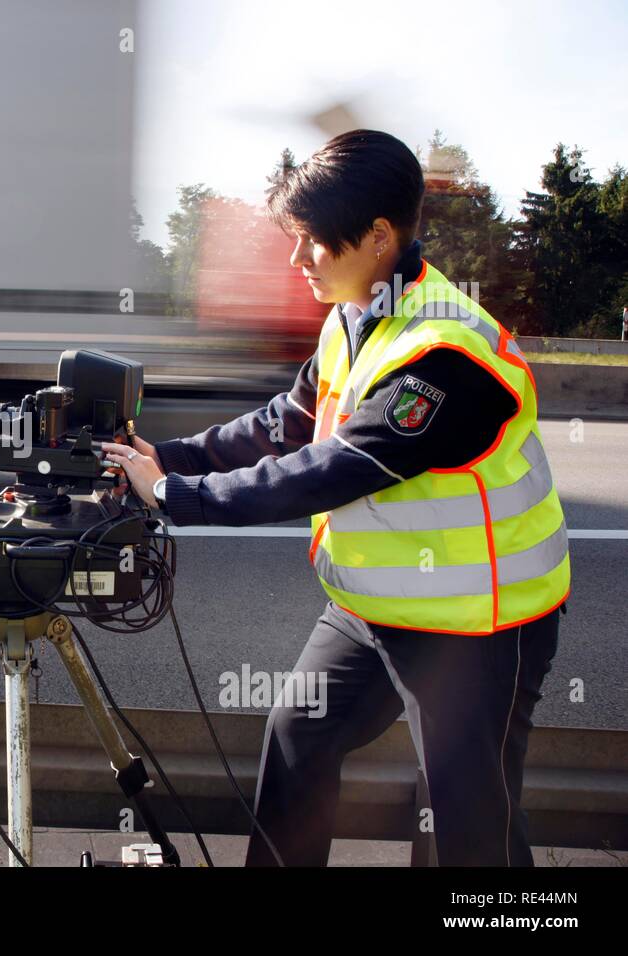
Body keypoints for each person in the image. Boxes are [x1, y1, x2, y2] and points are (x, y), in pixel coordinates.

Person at [101, 129, 570, 867]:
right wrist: (166, 457)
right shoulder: (353, 314)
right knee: (298, 736)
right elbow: (284, 424)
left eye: (312, 243)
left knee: (465, 818)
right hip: (373, 607)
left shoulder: (446, 352)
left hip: (480, 621)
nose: (296, 260)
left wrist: (175, 495)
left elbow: (334, 467)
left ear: (379, 236)